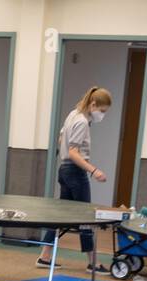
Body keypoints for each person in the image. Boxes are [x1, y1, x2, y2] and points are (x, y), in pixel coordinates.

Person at [34, 86, 111, 271]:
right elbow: (74, 153)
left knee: (61, 216)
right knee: (86, 217)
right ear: (93, 104)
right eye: (102, 111)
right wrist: (94, 171)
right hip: (75, 172)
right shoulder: (83, 122)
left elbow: (61, 140)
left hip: (64, 170)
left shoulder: (73, 114)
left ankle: (44, 256)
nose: (102, 115)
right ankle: (93, 262)